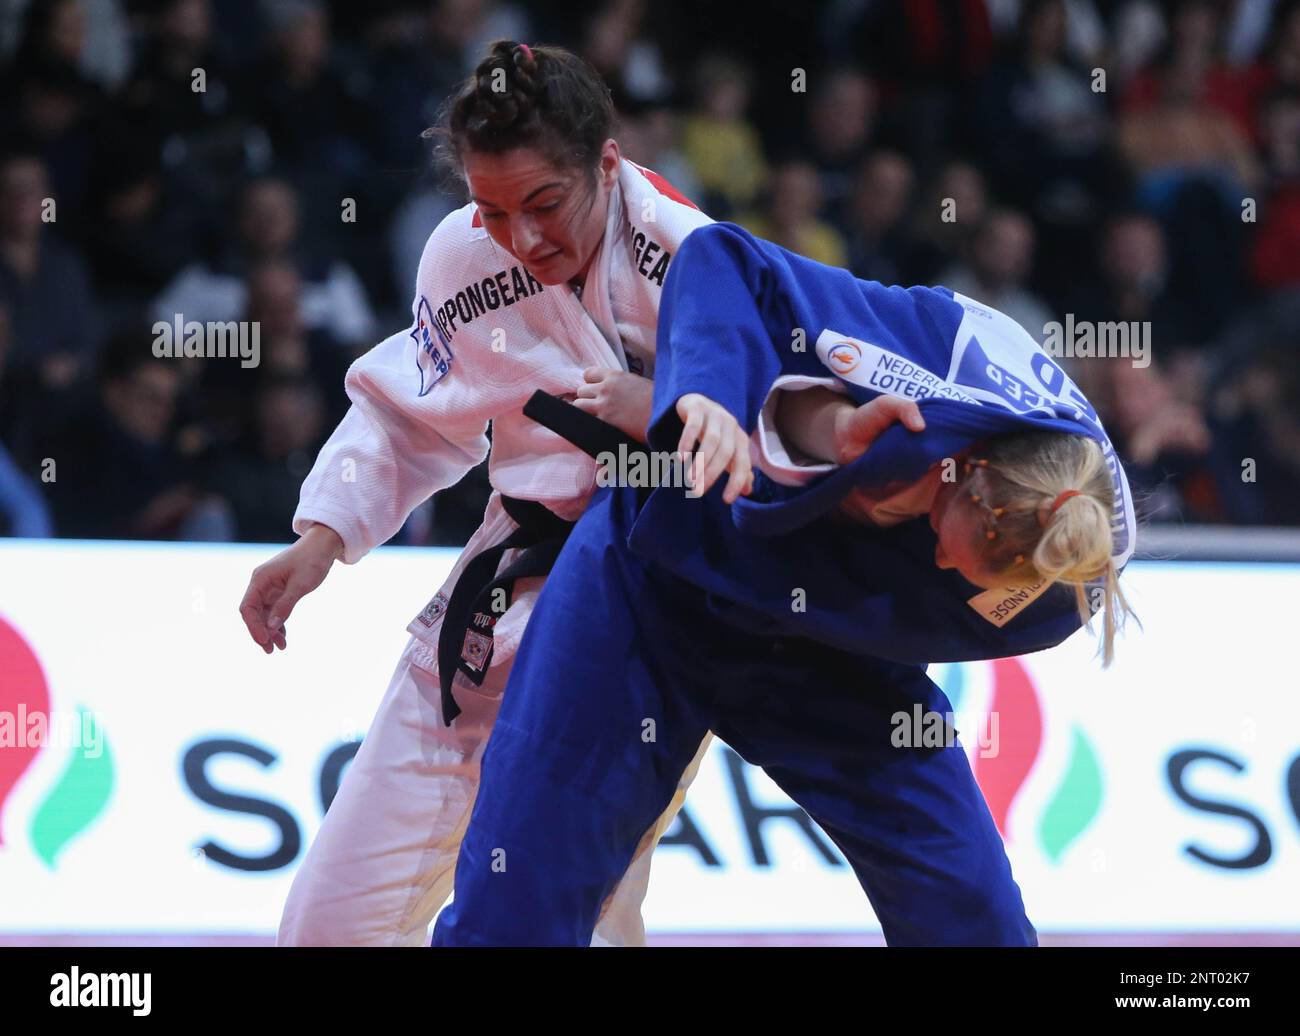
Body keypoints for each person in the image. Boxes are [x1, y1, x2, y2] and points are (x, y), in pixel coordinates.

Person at [430, 220, 1138, 947]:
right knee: (516, 894)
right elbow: (726, 259)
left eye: (969, 574)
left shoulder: (1056, 588)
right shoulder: (924, 357)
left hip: (836, 656)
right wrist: (708, 397)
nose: (949, 571)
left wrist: (823, 476)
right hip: (651, 589)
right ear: (971, 469)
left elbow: (916, 596)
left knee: (970, 911)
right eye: (953, 545)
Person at [238, 41, 714, 947]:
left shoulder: (687, 258)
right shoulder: (462, 255)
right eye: (492, 210)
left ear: (606, 164)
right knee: (327, 924)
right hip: (495, 610)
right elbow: (413, 416)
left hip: (641, 623)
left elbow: (779, 437)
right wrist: (321, 538)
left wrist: (656, 409)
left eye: (544, 204)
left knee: (577, 918)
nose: (523, 239)